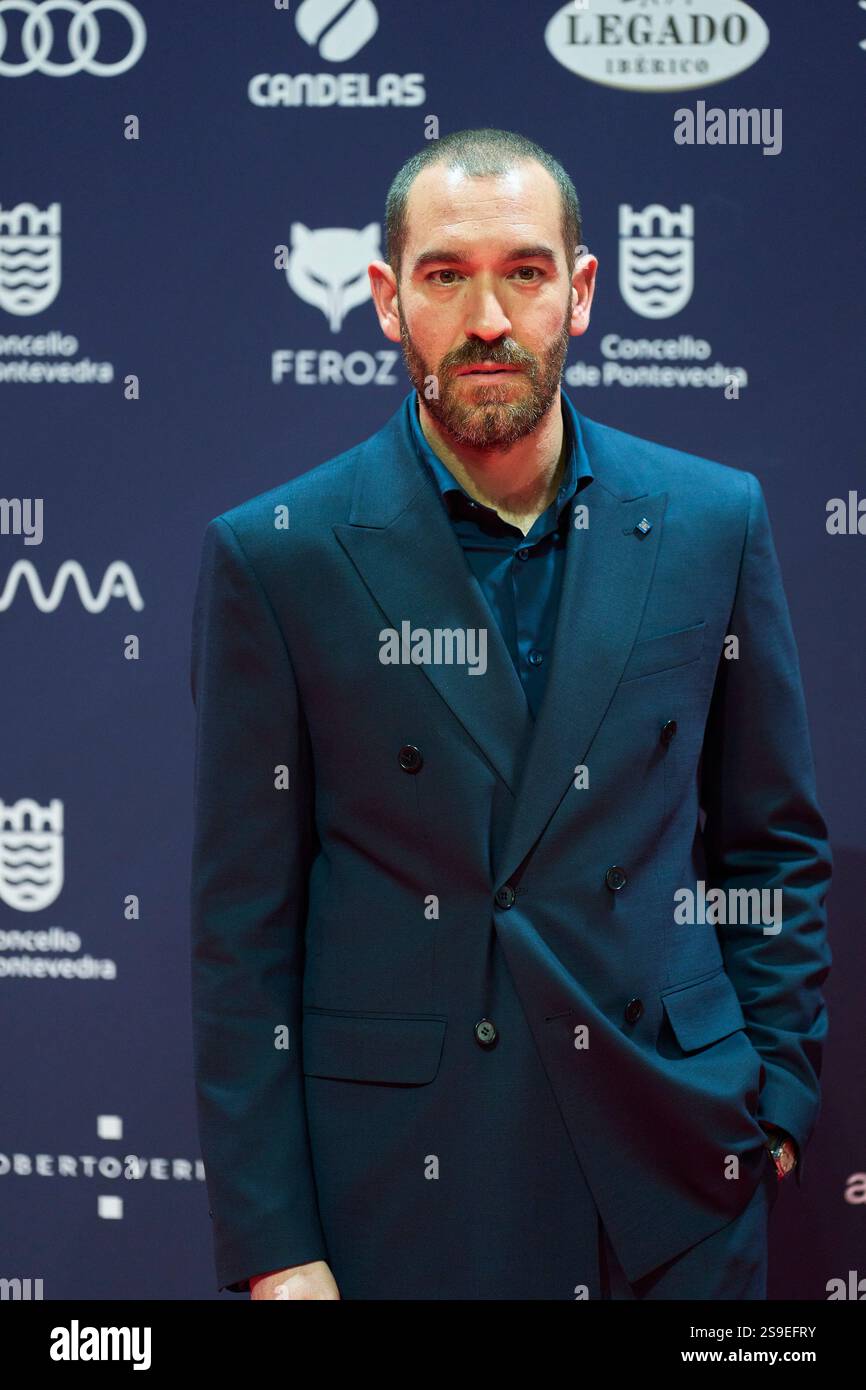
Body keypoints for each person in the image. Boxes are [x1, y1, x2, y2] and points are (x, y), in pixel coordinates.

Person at [189, 128, 832, 1301]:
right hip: (409, 1190)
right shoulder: (276, 556)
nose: (486, 315)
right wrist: (275, 1247)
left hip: (675, 1175)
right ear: (385, 299)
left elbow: (770, 844)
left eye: (524, 271)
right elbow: (244, 934)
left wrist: (775, 1102)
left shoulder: (708, 521)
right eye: (444, 275)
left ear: (579, 292)